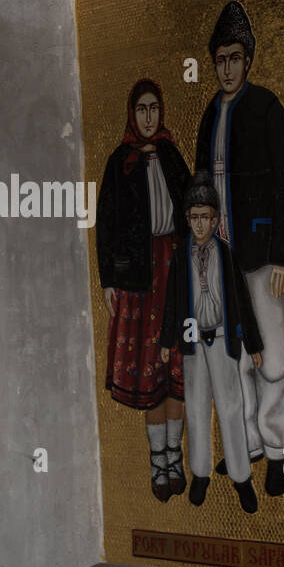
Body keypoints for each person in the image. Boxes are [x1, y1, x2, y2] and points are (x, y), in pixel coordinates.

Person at [194, 1, 284, 497]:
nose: (227, 67)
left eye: (235, 57)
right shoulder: (207, 117)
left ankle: (281, 450)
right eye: (219, 58)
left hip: (261, 255)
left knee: (273, 356)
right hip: (220, 260)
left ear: (248, 59)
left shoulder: (266, 109)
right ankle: (247, 445)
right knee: (232, 356)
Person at [96, 79, 192, 502]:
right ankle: (157, 463)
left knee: (178, 374)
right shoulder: (120, 162)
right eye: (142, 110)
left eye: (154, 108)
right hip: (138, 278)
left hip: (174, 268)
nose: (149, 117)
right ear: (131, 114)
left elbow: (193, 210)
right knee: (150, 371)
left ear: (162, 112)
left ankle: (175, 455)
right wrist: (109, 279)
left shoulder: (172, 156)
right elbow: (107, 224)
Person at [159, 173, 264, 513]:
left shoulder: (226, 254)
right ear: (187, 219)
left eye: (205, 217)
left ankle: (241, 477)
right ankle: (200, 473)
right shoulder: (180, 257)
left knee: (231, 406)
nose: (200, 224)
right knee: (197, 406)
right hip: (192, 339)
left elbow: (242, 301)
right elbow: (172, 300)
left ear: (216, 219)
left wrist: (254, 342)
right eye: (194, 217)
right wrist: (166, 339)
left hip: (220, 337)